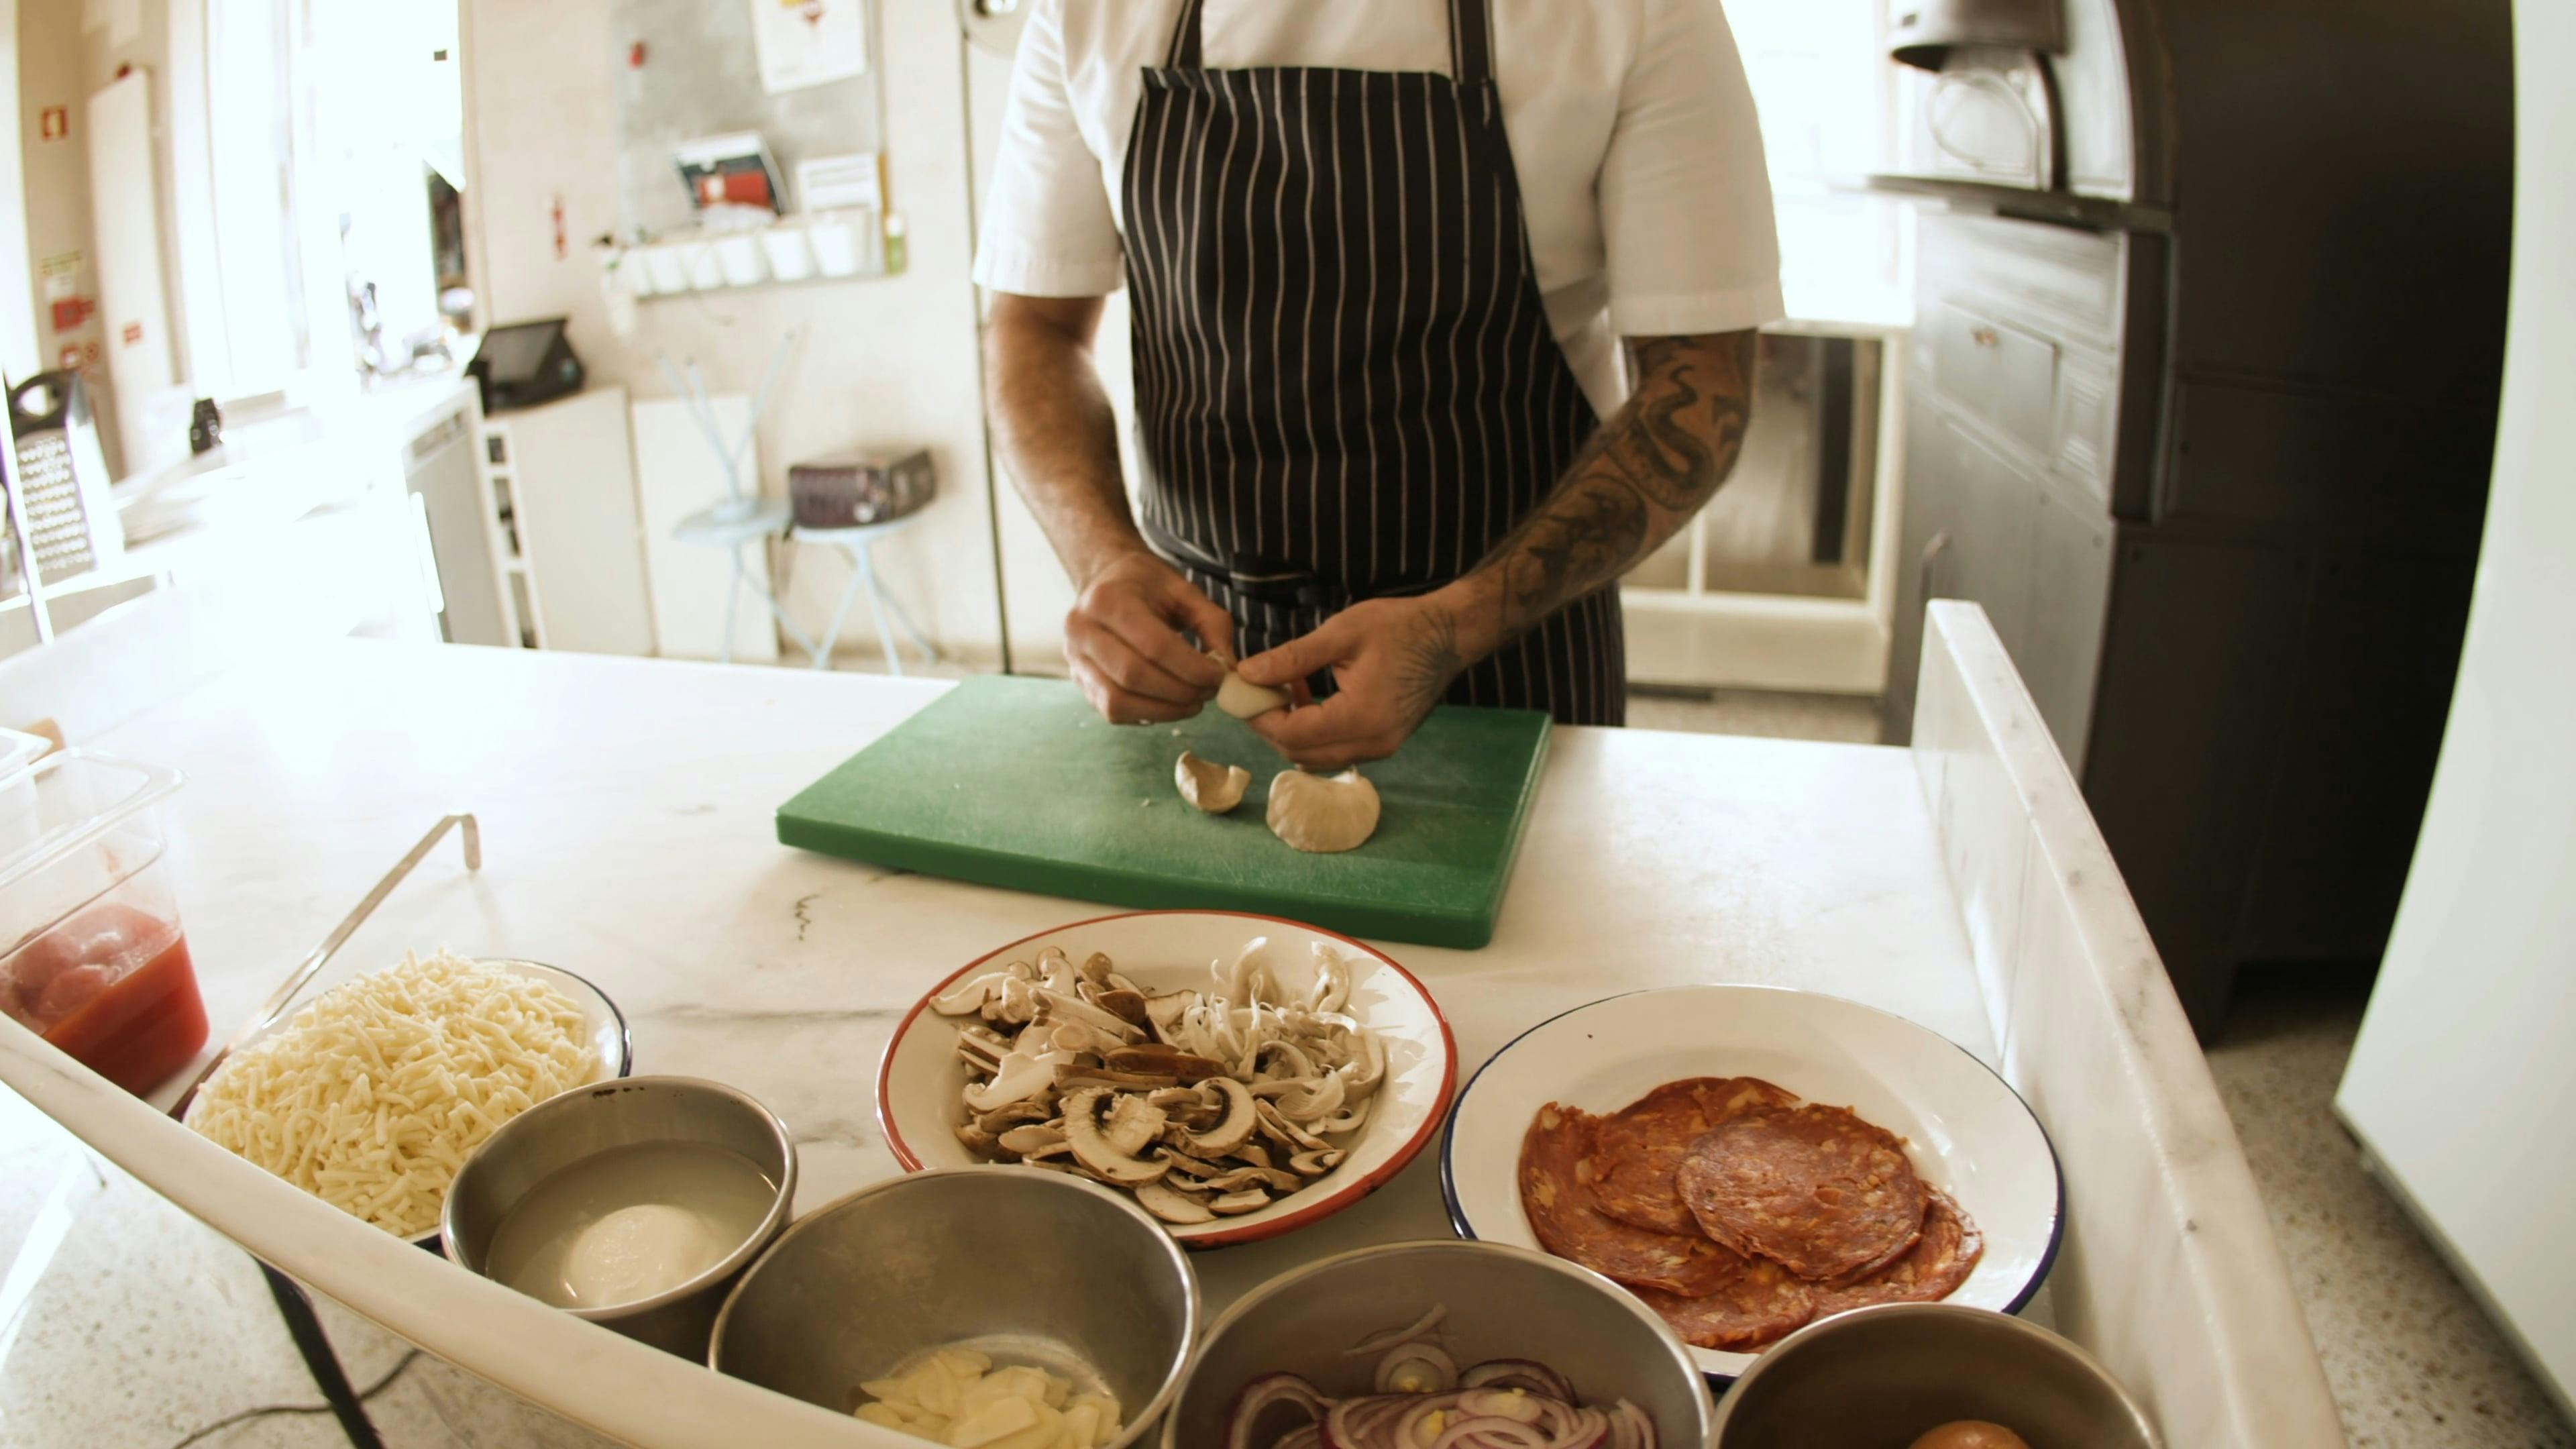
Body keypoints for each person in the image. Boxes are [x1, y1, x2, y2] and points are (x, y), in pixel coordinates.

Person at [979, 0, 1780, 768]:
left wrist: (1458, 624)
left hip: (1510, 649)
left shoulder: (1635, 11)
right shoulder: (1086, 10)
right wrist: (1102, 560)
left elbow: (1702, 377)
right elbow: (1033, 329)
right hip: (1202, 661)